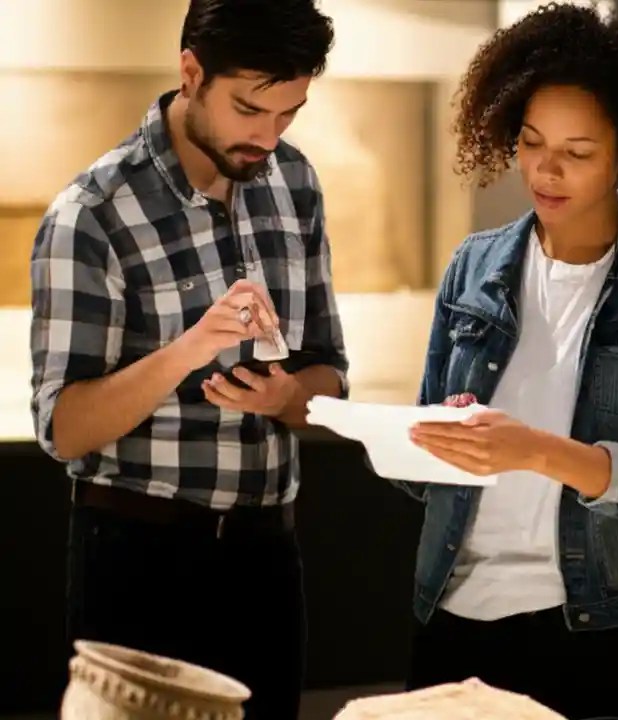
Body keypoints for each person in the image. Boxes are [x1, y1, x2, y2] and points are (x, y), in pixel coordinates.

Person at [398, 4, 618, 719]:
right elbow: (421, 451)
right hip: (453, 619)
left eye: (577, 152)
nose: (546, 170)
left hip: (599, 632)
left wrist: (536, 452)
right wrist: (434, 435)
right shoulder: (473, 265)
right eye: (531, 142)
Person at [28, 1, 345, 717]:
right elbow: (63, 428)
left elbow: (329, 372)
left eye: (289, 113)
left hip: (268, 558)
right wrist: (191, 348)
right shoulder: (93, 212)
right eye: (248, 109)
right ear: (191, 73)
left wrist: (284, 398)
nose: (268, 135)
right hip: (138, 558)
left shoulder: (294, 184)